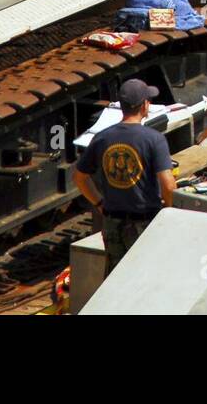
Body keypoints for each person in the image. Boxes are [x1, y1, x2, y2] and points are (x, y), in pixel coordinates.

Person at [72, 78, 177, 273]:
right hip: (144, 223)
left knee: (115, 280)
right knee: (143, 278)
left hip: (113, 223)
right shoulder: (155, 139)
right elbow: (168, 186)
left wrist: (98, 203)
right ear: (144, 105)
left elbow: (79, 177)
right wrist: (169, 214)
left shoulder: (102, 137)